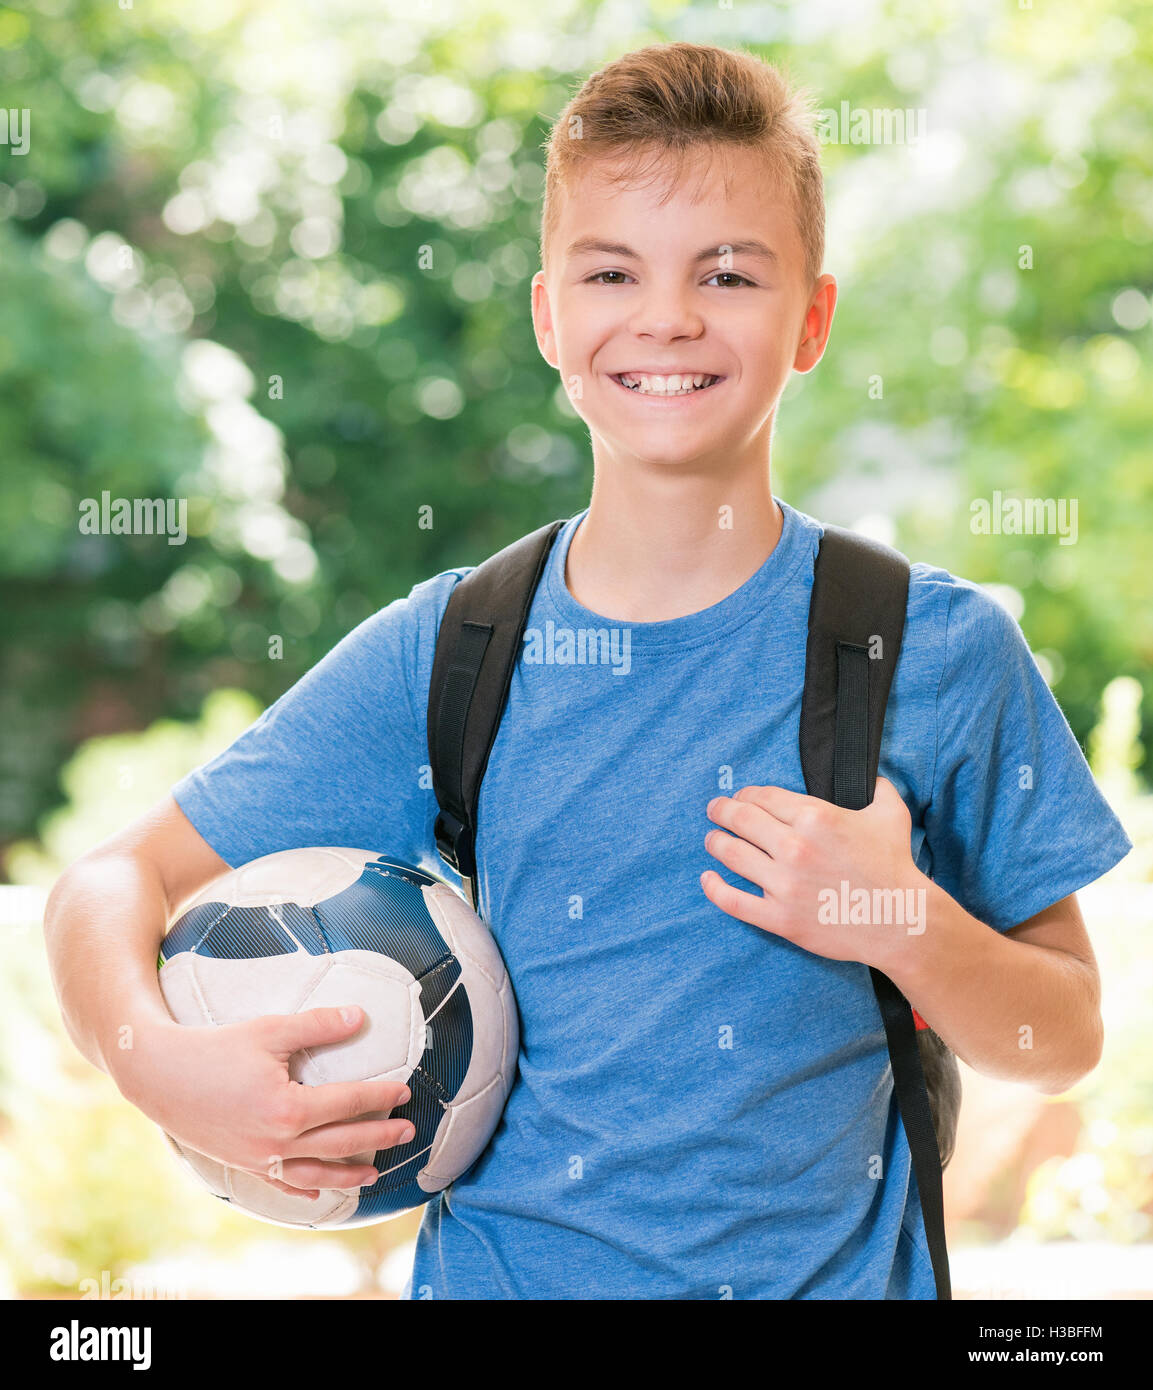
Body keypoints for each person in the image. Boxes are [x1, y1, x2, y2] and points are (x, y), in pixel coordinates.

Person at [45, 42, 1132, 1299]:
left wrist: (899, 920)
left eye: (726, 274)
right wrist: (157, 1064)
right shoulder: (452, 650)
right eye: (612, 271)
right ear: (550, 317)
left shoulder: (926, 650)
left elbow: (1062, 1037)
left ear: (813, 322)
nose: (666, 316)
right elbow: (110, 881)